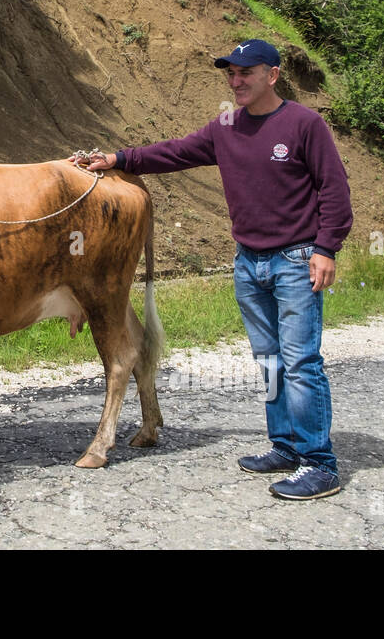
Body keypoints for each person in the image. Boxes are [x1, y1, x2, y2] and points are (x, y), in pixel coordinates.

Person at [73, 39, 352, 500]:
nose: (236, 80)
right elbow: (176, 152)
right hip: (249, 263)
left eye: (246, 72)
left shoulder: (304, 124)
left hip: (296, 261)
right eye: (231, 73)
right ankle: (284, 447)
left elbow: (334, 190)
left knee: (301, 362)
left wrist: (327, 248)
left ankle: (320, 463)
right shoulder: (227, 126)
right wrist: (117, 159)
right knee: (270, 360)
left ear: (273, 75)